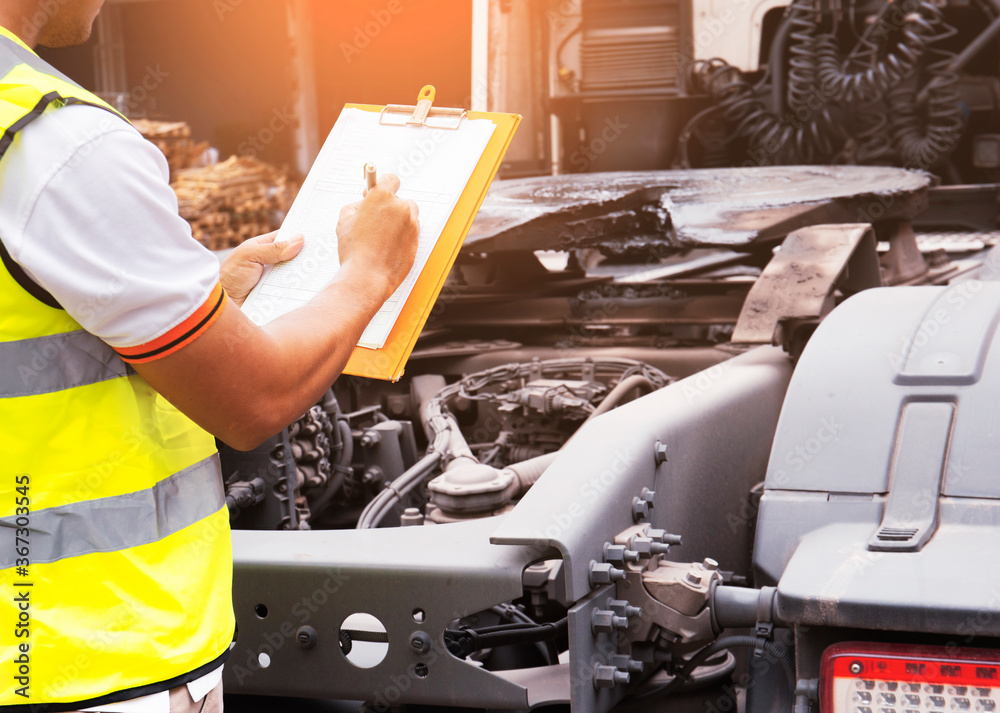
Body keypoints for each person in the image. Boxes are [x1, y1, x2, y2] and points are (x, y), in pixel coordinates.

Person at [0, 0, 420, 711]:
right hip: (89, 659)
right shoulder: (53, 140)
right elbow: (253, 398)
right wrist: (369, 273)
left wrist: (192, 299)